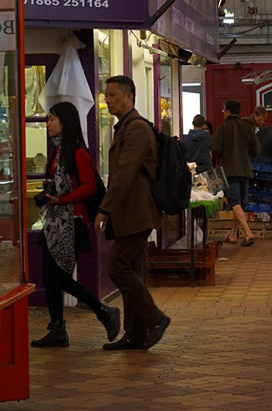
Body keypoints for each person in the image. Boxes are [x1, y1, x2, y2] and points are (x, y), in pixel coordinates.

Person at [30, 101, 120, 349]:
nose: (47, 124)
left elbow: (89, 186)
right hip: (54, 222)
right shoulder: (58, 152)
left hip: (72, 222)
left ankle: (104, 312)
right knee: (48, 276)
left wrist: (60, 199)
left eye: (51, 119)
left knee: (62, 278)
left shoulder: (78, 152)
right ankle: (57, 328)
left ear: (65, 122)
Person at [95, 76, 170, 351]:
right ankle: (134, 334)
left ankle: (156, 319)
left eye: (113, 95)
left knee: (118, 268)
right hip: (131, 212)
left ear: (130, 96)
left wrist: (104, 208)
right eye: (106, 95)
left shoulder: (136, 128)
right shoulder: (124, 127)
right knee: (132, 271)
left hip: (137, 212)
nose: (107, 99)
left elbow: (125, 173)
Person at [212, 99, 260, 246]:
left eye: (223, 111)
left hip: (229, 170)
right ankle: (233, 235)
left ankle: (248, 233)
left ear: (228, 111)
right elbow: (256, 150)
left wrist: (225, 156)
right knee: (238, 204)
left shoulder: (223, 128)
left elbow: (215, 149)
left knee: (234, 202)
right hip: (245, 170)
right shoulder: (248, 128)